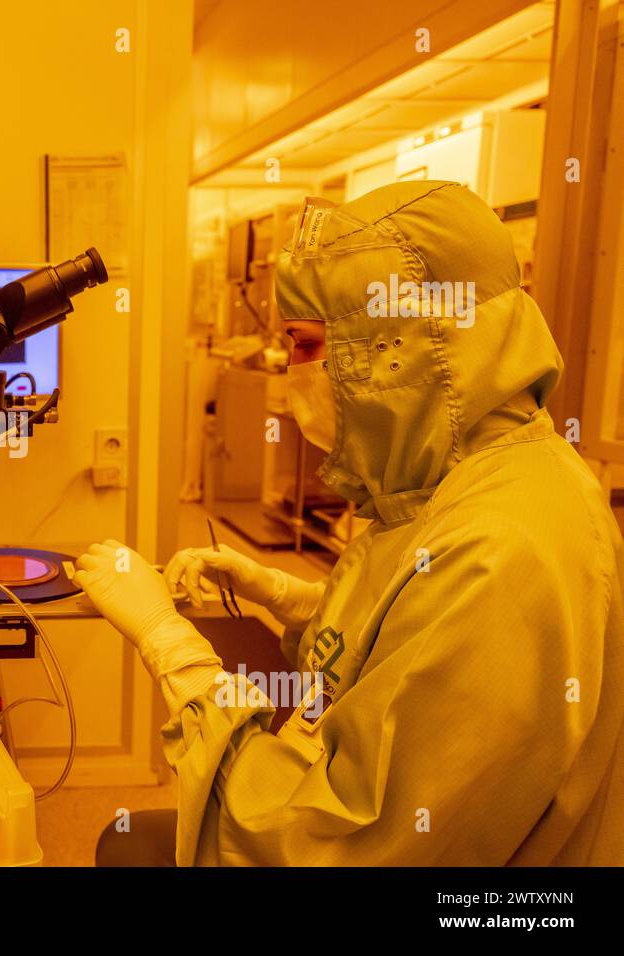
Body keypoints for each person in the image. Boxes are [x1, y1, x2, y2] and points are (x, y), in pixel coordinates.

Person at [76, 180, 624, 866]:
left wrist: (174, 650)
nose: (292, 372)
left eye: (306, 347)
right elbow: (404, 643)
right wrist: (287, 596)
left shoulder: (504, 549)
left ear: (397, 346)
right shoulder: (462, 483)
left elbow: (332, 846)